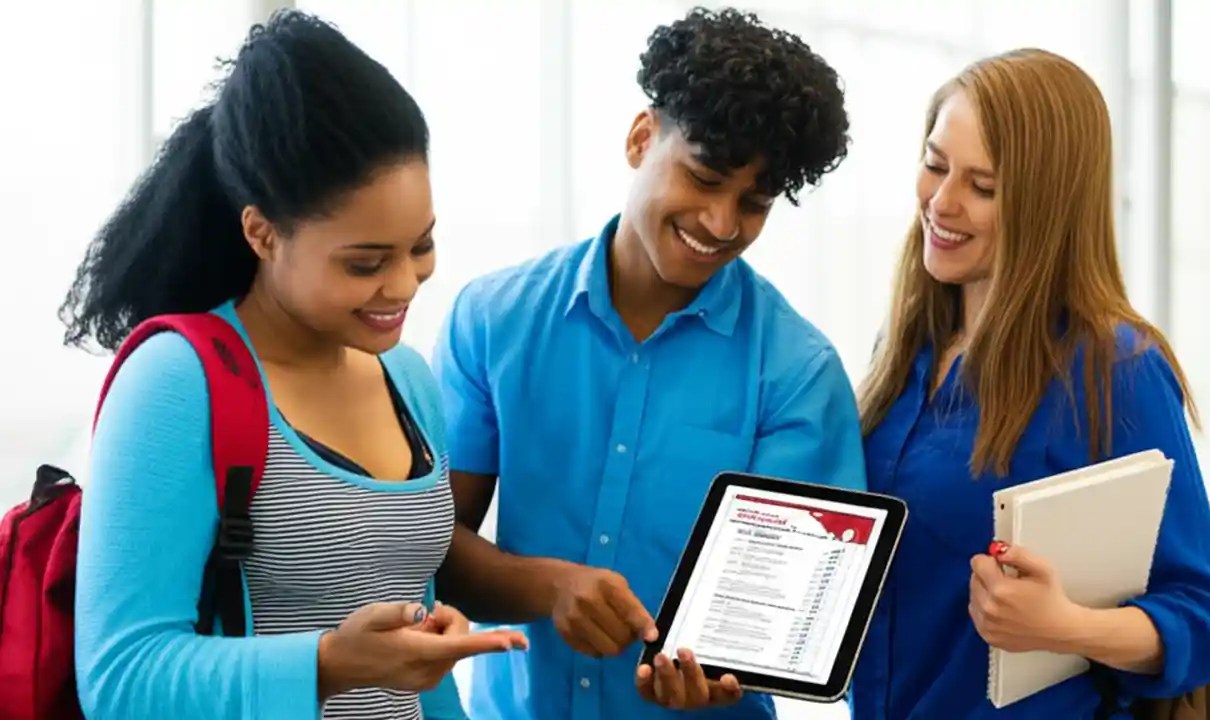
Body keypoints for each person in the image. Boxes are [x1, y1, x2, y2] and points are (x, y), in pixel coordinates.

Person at [63, 10, 526, 720]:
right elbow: (123, 677)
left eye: (421, 247)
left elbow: (412, 664)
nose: (403, 286)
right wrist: (329, 665)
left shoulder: (409, 381)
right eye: (365, 262)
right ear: (263, 233)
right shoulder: (175, 383)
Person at [430, 7, 863, 720]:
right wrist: (547, 587)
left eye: (752, 204)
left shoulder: (797, 373)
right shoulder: (494, 320)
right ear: (640, 139)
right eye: (704, 178)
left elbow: (792, 628)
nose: (722, 224)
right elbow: (435, 546)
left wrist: (730, 674)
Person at [849, 48, 1210, 718]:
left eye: (983, 187)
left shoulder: (1113, 367)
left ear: (1046, 206)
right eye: (935, 163)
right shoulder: (906, 347)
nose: (940, 203)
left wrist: (1066, 625)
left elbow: (1205, 617)